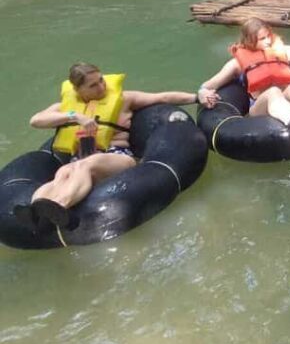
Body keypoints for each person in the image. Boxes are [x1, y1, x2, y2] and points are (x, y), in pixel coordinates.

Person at [14, 63, 205, 231]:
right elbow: (35, 120)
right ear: (78, 89)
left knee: (85, 165)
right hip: (80, 157)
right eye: (93, 85)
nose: (101, 86)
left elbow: (162, 97)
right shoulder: (66, 107)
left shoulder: (123, 99)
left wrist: (197, 97)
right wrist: (74, 116)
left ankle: (61, 206)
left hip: (116, 155)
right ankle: (35, 211)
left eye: (101, 80)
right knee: (63, 172)